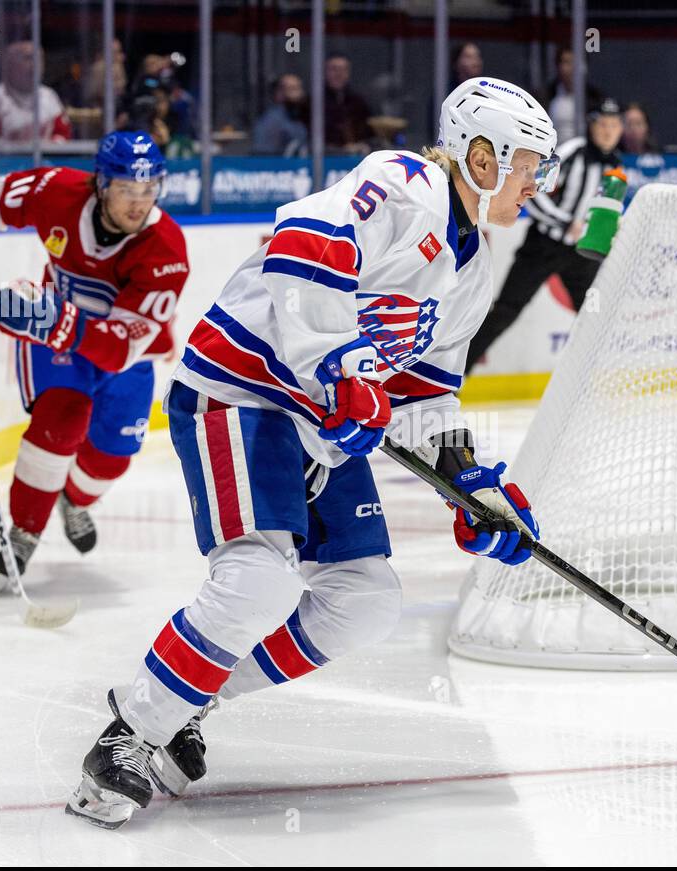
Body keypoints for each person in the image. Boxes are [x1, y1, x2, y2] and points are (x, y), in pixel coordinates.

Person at [64, 77, 560, 829]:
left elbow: (424, 395)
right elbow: (301, 242)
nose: (536, 183)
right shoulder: (404, 184)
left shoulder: (474, 269)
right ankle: (128, 735)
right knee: (257, 581)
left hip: (319, 423)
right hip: (241, 396)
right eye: (528, 163)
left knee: (365, 601)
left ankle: (184, 702)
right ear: (481, 156)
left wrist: (469, 483)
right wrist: (342, 367)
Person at [0, 132, 190, 585]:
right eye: (125, 190)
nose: (138, 204)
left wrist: (59, 323)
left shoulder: (167, 250)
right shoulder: (55, 190)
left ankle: (74, 501)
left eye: (148, 190)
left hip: (123, 352)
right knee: (61, 422)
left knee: (112, 457)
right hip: (56, 335)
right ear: (100, 185)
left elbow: (119, 348)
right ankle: (24, 531)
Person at [465, 98, 623, 374]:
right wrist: (565, 223)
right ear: (592, 126)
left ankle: (596, 378)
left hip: (580, 253)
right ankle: (454, 377)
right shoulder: (570, 152)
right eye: (603, 125)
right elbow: (533, 193)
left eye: (614, 126)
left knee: (595, 315)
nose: (608, 132)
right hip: (543, 246)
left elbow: (604, 209)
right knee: (505, 312)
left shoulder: (616, 166)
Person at [0, 40, 71, 142]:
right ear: (10, 64)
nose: (35, 65)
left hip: (43, 157)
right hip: (7, 158)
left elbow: (63, 135)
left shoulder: (49, 96)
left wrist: (49, 144)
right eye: (28, 58)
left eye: (39, 59)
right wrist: (14, 144)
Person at [541, 47, 603, 146]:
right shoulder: (544, 96)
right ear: (558, 66)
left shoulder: (596, 97)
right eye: (567, 62)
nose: (572, 68)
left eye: (576, 62)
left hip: (585, 158)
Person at [323, 53, 372, 151]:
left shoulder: (359, 102)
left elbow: (369, 131)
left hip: (356, 157)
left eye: (343, 70)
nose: (338, 74)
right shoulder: (314, 102)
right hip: (323, 158)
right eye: (334, 69)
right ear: (325, 72)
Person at [252, 73, 308, 155]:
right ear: (278, 93)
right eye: (291, 89)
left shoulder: (305, 113)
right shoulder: (272, 118)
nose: (296, 93)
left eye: (297, 88)